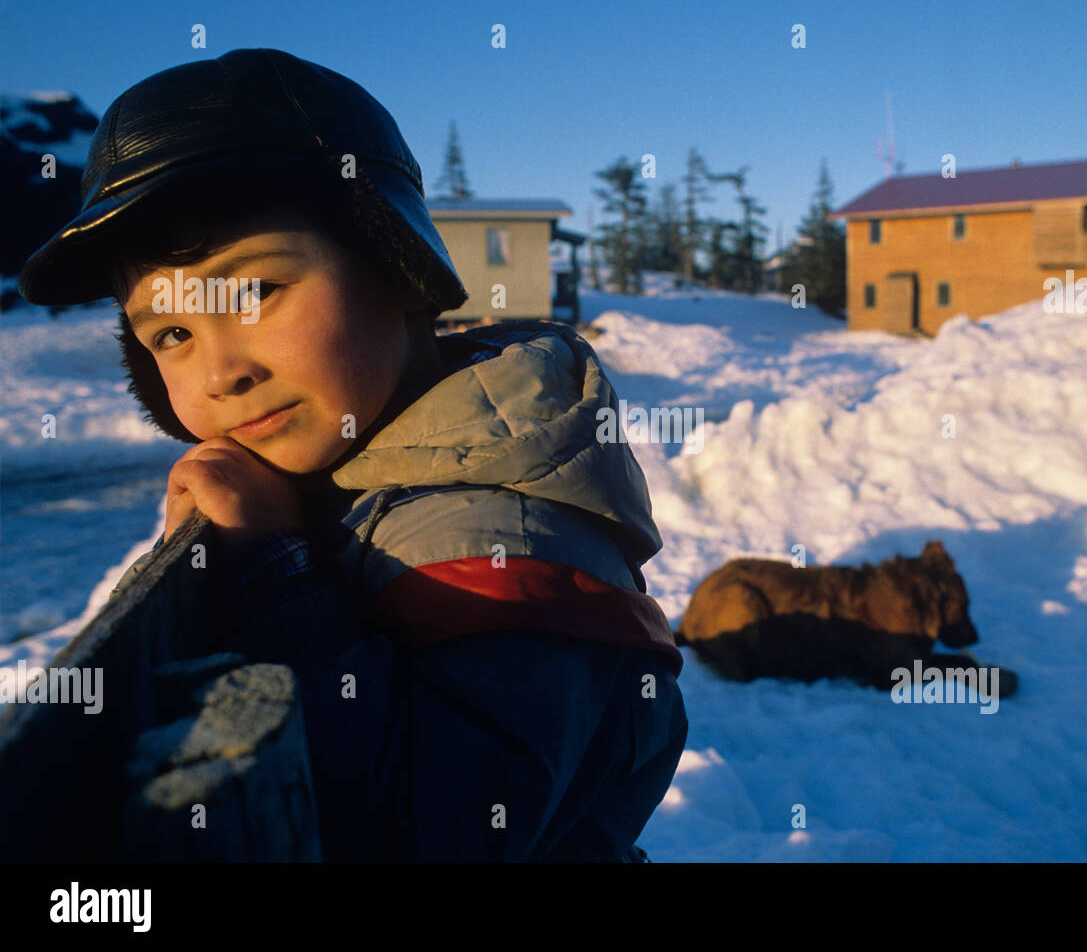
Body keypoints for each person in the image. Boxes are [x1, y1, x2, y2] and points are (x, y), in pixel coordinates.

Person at [18, 48, 687, 862]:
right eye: (173, 334)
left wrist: (278, 567)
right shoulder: (369, 469)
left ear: (394, 265)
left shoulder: (497, 539)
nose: (222, 370)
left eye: (255, 293)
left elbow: (424, 838)